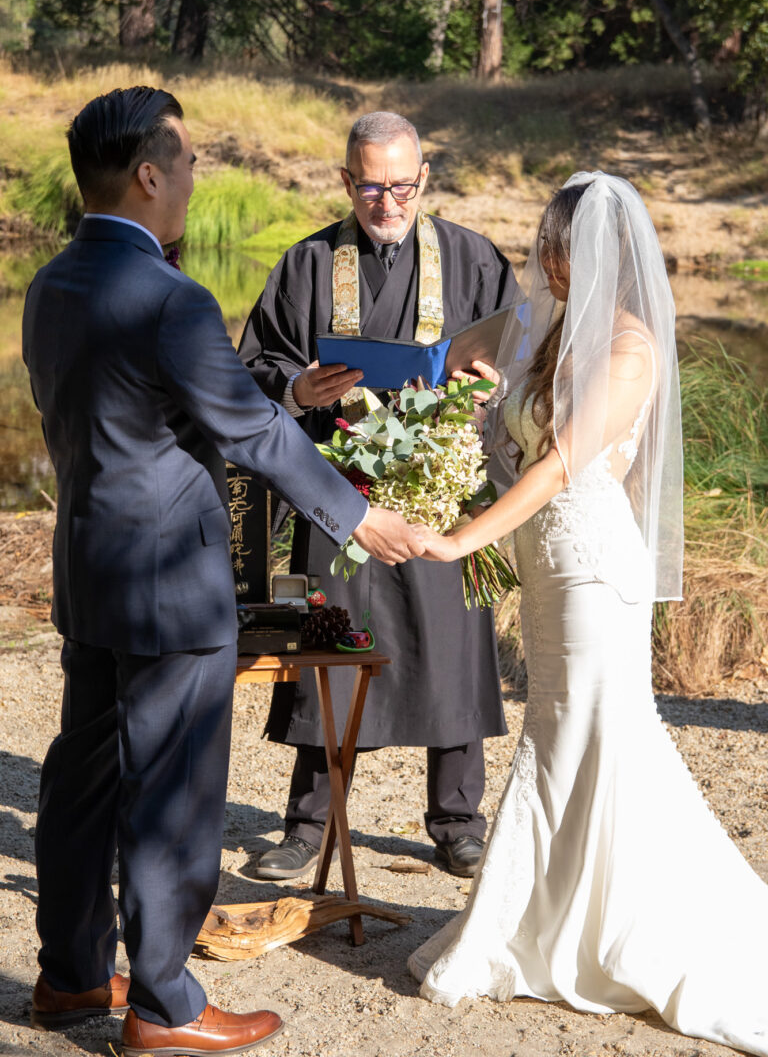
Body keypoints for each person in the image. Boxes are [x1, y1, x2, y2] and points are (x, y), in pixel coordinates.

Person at [22, 86, 422, 1057]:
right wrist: (361, 518)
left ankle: (71, 975)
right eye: (190, 160)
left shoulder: (48, 285)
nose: (198, 177)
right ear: (150, 174)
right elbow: (252, 431)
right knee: (172, 788)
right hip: (172, 583)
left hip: (88, 567)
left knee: (81, 774)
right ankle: (162, 1004)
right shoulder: (171, 299)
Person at [407, 172, 768, 1055]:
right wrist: (451, 407)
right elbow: (451, 355)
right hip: (543, 566)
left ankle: (587, 932)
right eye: (543, 244)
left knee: (594, 736)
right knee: (563, 734)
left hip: (593, 566)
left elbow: (563, 464)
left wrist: (461, 539)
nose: (545, 260)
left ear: (600, 252)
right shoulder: (543, 323)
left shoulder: (632, 346)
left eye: (560, 247)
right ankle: (555, 922)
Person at [238, 111, 519, 881]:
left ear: (424, 178)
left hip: (443, 487)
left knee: (453, 646)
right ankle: (308, 824)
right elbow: (250, 372)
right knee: (332, 642)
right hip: (338, 490)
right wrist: (298, 386)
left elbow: (522, 363)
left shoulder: (475, 259)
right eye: (369, 185)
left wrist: (488, 390)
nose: (386, 201)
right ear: (345, 181)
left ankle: (457, 819)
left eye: (400, 185)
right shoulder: (305, 266)